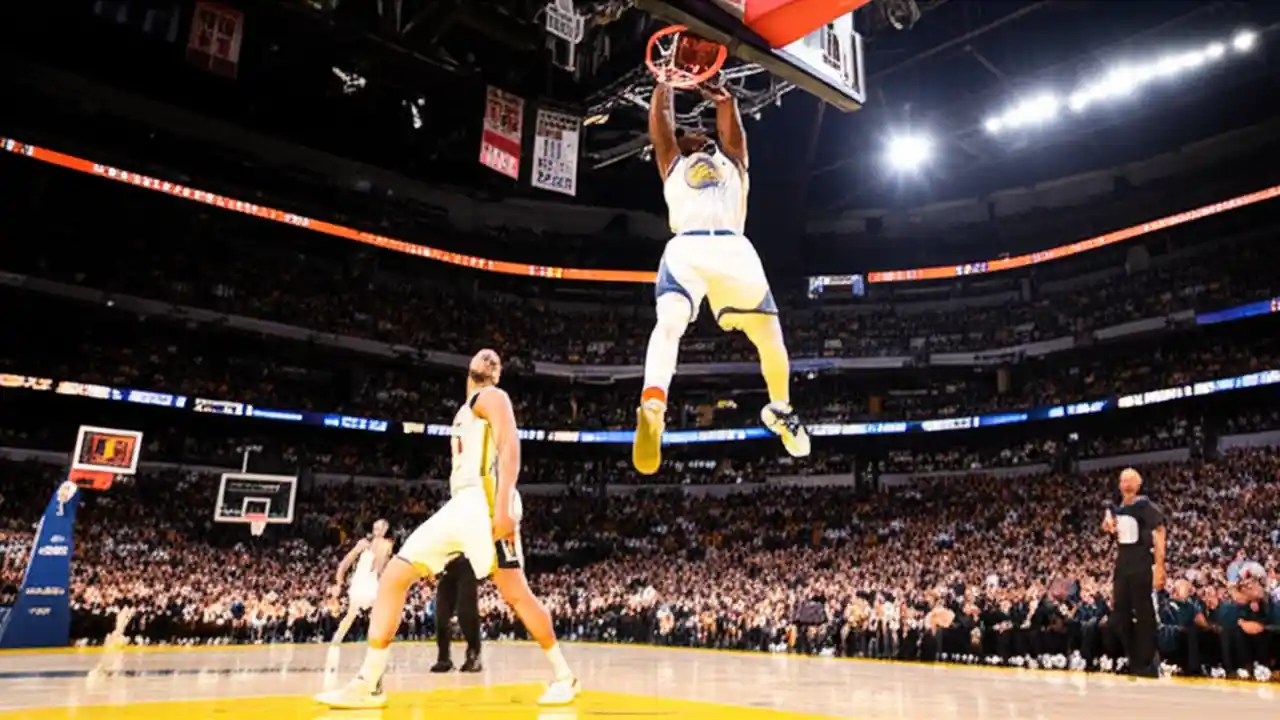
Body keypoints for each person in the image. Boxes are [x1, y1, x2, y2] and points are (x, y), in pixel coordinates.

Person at [315, 349, 579, 709]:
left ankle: (564, 677)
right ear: (468, 366)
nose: (488, 357)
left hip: (485, 504)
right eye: (483, 355)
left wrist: (502, 506)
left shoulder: (493, 396)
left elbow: (509, 446)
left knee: (516, 594)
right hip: (460, 507)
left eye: (495, 360)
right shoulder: (465, 409)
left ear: (497, 375)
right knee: (394, 575)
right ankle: (369, 683)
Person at [633, 78, 809, 475]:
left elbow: (718, 131)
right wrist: (667, 84)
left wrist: (722, 97)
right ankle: (779, 407)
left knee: (670, 326)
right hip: (729, 250)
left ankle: (654, 401)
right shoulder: (690, 164)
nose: (693, 133)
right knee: (768, 338)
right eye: (686, 134)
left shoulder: (705, 164)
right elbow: (664, 125)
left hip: (695, 250)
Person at [1100, 467, 1166, 677]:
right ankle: (1134, 658)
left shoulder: (1144, 505)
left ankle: (1148, 661)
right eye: (1123, 480)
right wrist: (1108, 526)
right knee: (1120, 612)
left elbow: (1159, 532)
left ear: (1138, 484)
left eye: (1131, 480)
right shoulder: (1117, 508)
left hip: (1141, 561)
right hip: (1123, 562)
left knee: (1144, 611)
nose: (1126, 484)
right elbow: (1112, 531)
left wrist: (1160, 566)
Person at [329, 519, 393, 646]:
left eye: (380, 528)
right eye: (376, 528)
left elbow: (382, 567)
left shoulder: (387, 545)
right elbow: (345, 562)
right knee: (351, 614)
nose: (377, 531)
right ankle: (336, 641)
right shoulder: (363, 543)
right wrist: (339, 581)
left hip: (373, 581)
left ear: (385, 530)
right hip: (360, 581)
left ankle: (379, 640)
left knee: (379, 613)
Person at [430, 555, 482, 673]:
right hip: (446, 566)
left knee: (466, 612)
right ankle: (443, 658)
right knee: (441, 615)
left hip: (467, 564)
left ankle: (474, 654)